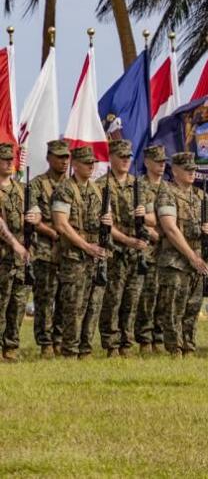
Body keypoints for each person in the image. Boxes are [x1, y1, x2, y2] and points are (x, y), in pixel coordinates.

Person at [51, 146, 112, 359]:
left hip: (97, 257)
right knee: (73, 306)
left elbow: (108, 219)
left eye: (92, 163)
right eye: (86, 163)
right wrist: (86, 246)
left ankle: (85, 350)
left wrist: (109, 221)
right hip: (74, 258)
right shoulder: (65, 189)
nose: (91, 166)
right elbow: (61, 224)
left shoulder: (98, 189)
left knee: (94, 305)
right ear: (75, 165)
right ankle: (70, 350)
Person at [155, 152, 208, 357]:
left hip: (198, 258)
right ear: (175, 170)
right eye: (187, 169)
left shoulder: (201, 196)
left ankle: (188, 346)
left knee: (193, 305)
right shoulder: (167, 193)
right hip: (175, 260)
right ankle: (175, 348)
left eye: (193, 169)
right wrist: (192, 256)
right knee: (174, 307)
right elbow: (170, 229)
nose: (192, 172)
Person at [97, 140, 150, 358]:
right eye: (122, 157)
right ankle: (111, 344)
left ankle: (126, 343)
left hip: (135, 252)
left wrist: (144, 218)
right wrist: (127, 240)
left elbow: (151, 218)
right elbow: (104, 224)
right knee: (113, 299)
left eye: (128, 157)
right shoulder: (102, 185)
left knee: (132, 298)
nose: (126, 161)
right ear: (112, 158)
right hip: (114, 250)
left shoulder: (138, 185)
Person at [28, 139, 70, 358]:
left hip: (69, 250)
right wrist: (52, 232)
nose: (64, 161)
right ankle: (45, 343)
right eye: (59, 157)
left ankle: (59, 340)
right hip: (45, 249)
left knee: (65, 297)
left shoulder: (72, 186)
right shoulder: (36, 184)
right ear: (49, 158)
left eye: (66, 157)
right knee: (45, 298)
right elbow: (34, 218)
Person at [0, 143, 40, 362]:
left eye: (11, 159)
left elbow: (36, 212)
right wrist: (15, 244)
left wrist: (35, 217)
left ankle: (11, 347)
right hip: (4, 255)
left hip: (22, 256)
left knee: (18, 302)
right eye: (5, 159)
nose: (9, 163)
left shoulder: (22, 189)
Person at [135, 145, 168, 354]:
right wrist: (157, 223)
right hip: (147, 250)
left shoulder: (168, 188)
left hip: (167, 250)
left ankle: (159, 337)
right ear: (147, 162)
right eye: (158, 161)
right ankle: (145, 339)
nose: (162, 165)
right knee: (147, 296)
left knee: (164, 295)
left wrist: (155, 220)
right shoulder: (139, 186)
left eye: (164, 162)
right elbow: (139, 217)